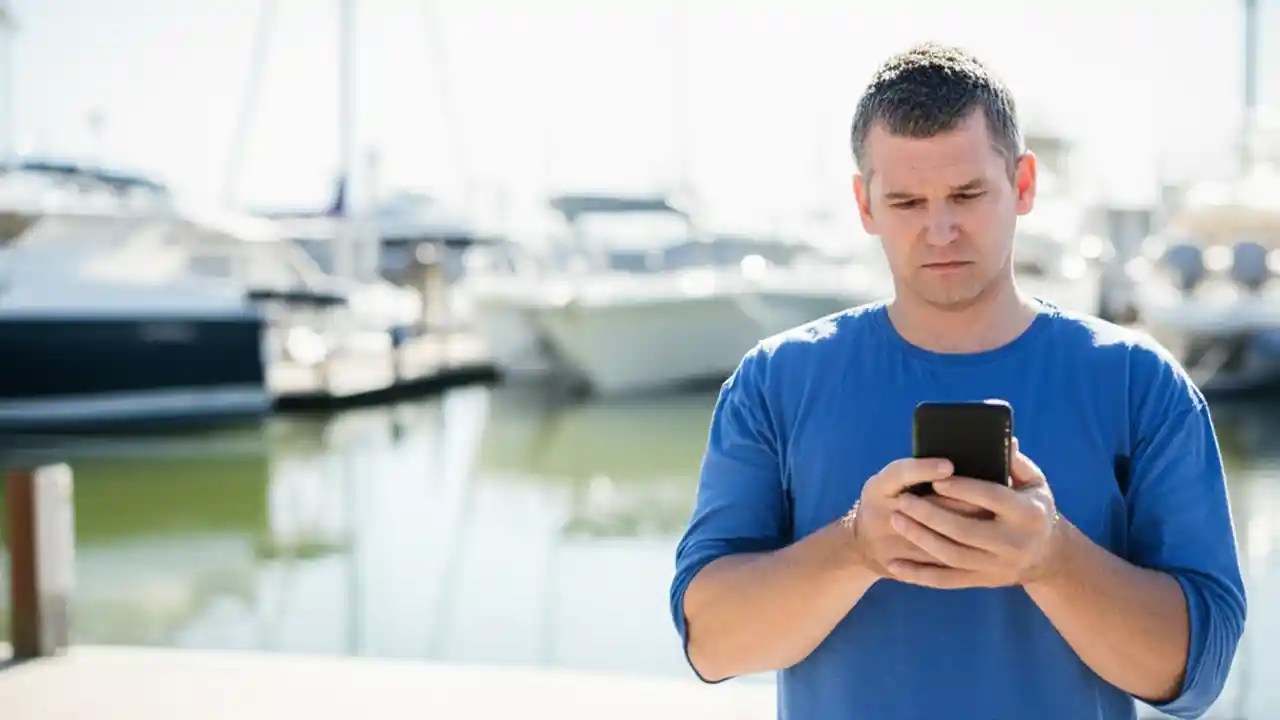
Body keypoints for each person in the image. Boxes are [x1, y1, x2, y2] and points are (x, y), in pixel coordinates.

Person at [669, 43, 1246, 719]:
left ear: (1023, 185)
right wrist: (857, 548)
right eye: (906, 201)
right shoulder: (775, 382)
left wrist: (1051, 559)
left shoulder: (1139, 384)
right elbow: (710, 642)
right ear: (864, 203)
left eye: (967, 194)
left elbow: (1198, 674)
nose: (938, 230)